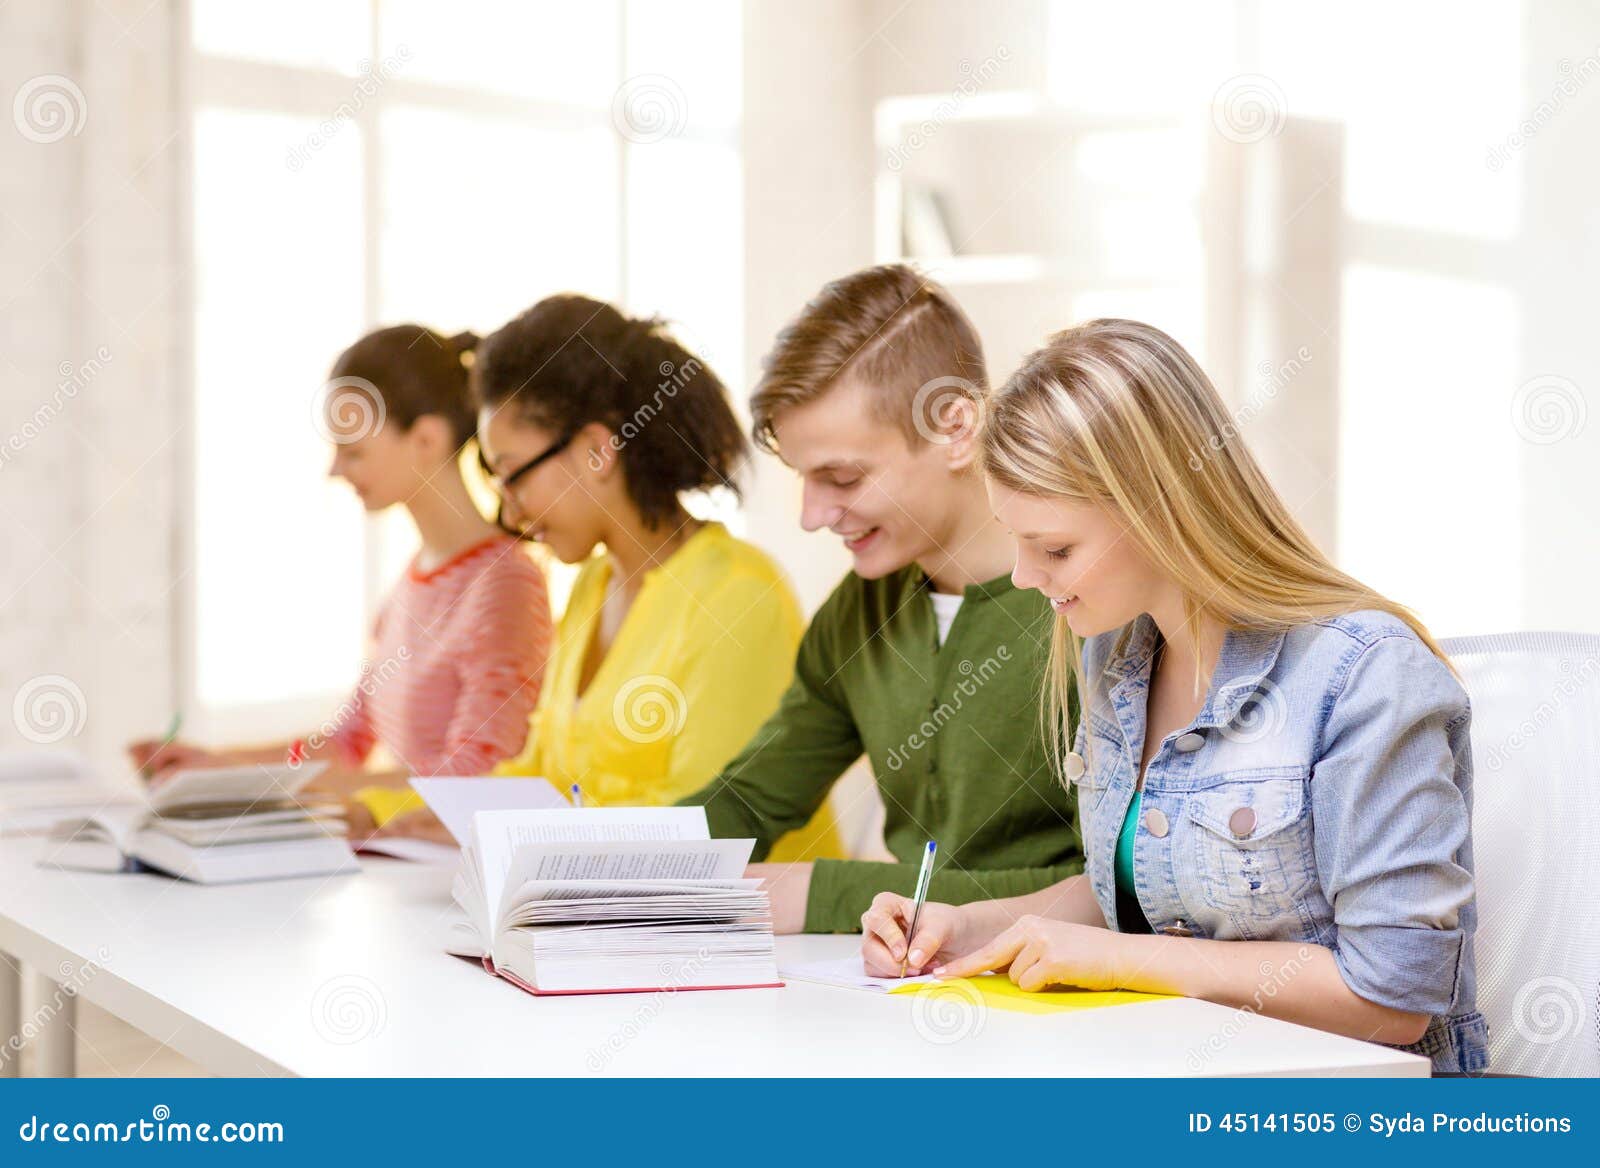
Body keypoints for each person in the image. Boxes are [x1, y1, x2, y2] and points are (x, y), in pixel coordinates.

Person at [860, 318, 1486, 1074]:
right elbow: (1139, 892)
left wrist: (1126, 961)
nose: (1023, 577)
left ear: (1162, 509)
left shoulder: (1363, 674)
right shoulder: (1114, 658)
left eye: (1055, 548)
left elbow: (1393, 996)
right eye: (1015, 539)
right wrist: (962, 929)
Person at [681, 264, 1083, 935]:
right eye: (805, 478)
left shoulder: (1093, 606)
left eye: (841, 476)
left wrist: (823, 893)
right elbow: (750, 802)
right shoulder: (861, 610)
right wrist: (596, 867)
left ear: (955, 429)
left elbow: (1118, 893)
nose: (812, 514)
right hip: (903, 991)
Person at [374, 295, 840, 863]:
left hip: (737, 936)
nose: (510, 515)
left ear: (597, 451)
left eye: (510, 474)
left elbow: (706, 829)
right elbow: (540, 776)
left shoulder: (738, 594)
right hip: (606, 920)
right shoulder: (594, 584)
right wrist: (387, 812)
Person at [129, 326, 551, 838]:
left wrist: (255, 784)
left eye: (352, 451)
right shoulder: (410, 583)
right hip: (400, 866)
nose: (334, 470)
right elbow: (348, 743)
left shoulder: (505, 586)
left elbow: (473, 779)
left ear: (425, 440)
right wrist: (218, 767)